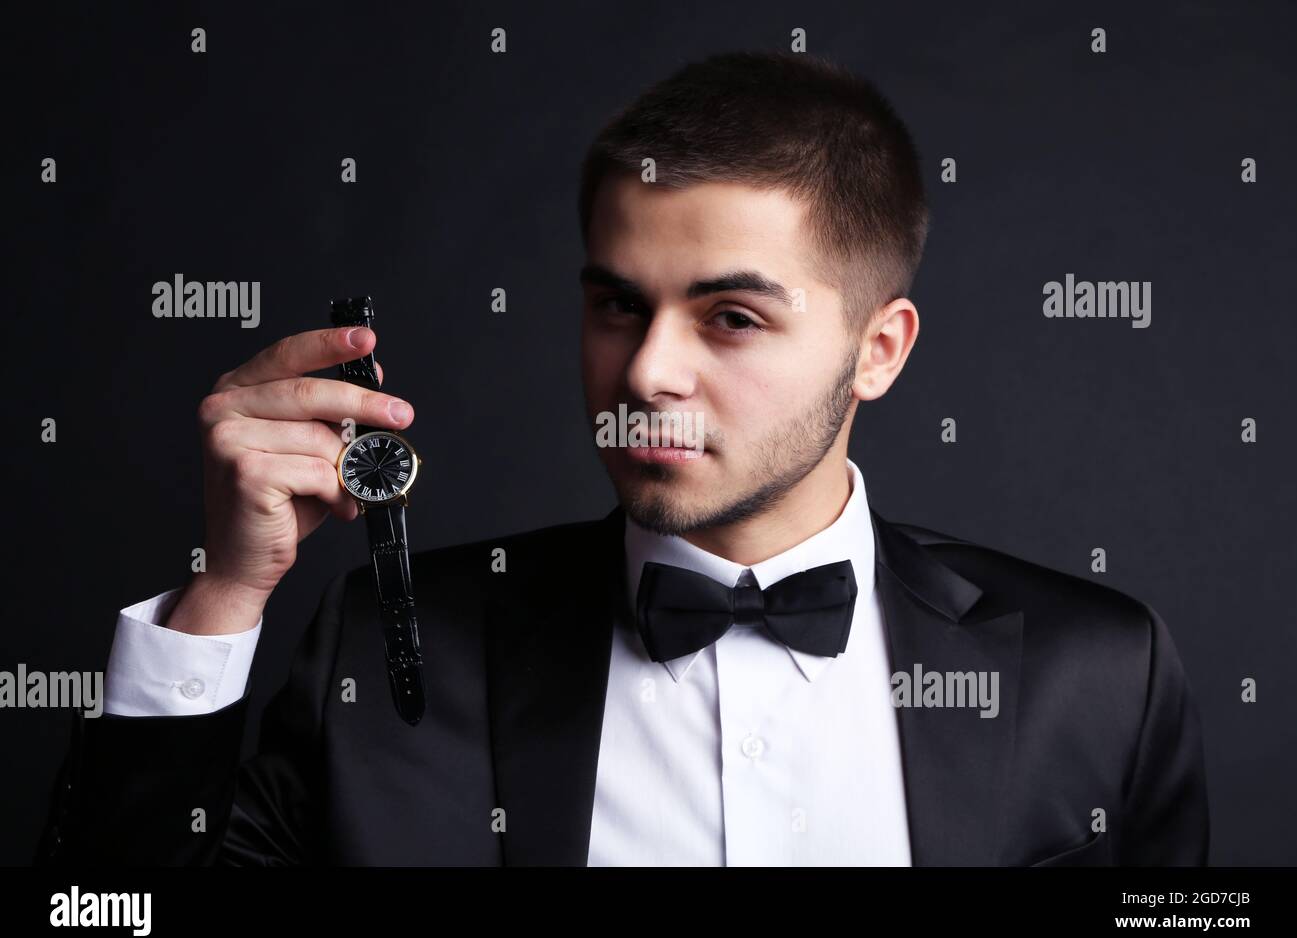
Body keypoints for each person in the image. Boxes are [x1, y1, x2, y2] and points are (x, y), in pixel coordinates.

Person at [37, 51, 1208, 866]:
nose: (646, 371)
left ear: (877, 350)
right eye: (615, 304)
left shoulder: (1100, 676)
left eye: (729, 316)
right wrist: (223, 600)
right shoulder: (391, 653)